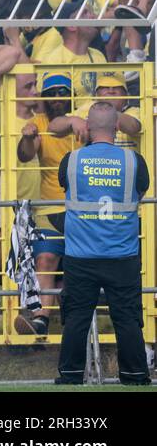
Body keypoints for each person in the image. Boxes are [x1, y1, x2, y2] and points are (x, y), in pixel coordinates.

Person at [54, 102, 152, 386]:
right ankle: (135, 375)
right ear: (117, 126)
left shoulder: (71, 161)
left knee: (76, 318)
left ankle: (70, 375)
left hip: (80, 254)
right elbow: (140, 191)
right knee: (127, 318)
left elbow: (66, 187)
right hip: (122, 254)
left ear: (87, 125)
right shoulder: (134, 161)